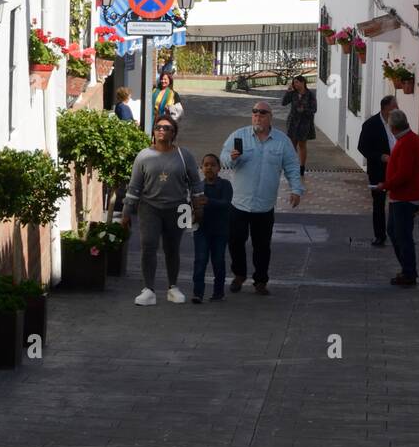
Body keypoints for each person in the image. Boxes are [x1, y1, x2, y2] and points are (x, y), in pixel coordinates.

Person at [220, 101, 303, 295]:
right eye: (255, 112)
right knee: (235, 241)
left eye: (262, 113)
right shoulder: (239, 135)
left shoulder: (282, 141)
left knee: (262, 245)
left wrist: (296, 190)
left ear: (270, 117)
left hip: (264, 205)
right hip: (239, 202)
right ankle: (239, 274)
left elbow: (291, 166)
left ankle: (260, 280)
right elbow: (222, 157)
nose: (258, 116)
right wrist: (230, 157)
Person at [122, 116, 204, 307]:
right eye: (158, 127)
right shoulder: (143, 156)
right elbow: (134, 186)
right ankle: (148, 289)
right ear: (153, 131)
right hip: (149, 207)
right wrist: (126, 212)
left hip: (178, 208)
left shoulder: (185, 155)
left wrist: (198, 206)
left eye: (167, 128)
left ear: (173, 133)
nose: (161, 131)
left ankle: (173, 287)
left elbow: (195, 182)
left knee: (172, 248)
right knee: (148, 245)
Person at [377, 108, 419, 287]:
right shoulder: (408, 140)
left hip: (405, 197)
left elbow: (404, 174)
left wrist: (385, 185)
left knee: (402, 236)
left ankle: (409, 272)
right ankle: (407, 269)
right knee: (395, 232)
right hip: (401, 197)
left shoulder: (407, 143)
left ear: (393, 128)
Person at [357, 95, 399, 248]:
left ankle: (398, 233)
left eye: (397, 108)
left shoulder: (398, 122)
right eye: (393, 108)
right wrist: (380, 157)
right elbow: (362, 147)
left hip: (397, 169)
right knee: (379, 204)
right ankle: (380, 235)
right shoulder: (371, 124)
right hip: (379, 170)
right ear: (384, 109)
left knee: (399, 202)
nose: (396, 111)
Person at [191, 154, 233, 304]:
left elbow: (226, 203)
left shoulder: (225, 185)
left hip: (220, 231)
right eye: (206, 165)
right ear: (201, 168)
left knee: (218, 261)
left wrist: (209, 201)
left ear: (219, 168)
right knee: (200, 261)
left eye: (212, 165)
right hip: (201, 230)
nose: (209, 167)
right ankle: (198, 293)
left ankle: (218, 292)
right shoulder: (198, 187)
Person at [281, 75, 317, 176]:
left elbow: (314, 109)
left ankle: (302, 167)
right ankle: (292, 166)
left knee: (302, 145)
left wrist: (304, 110)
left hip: (304, 123)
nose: (295, 84)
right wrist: (288, 92)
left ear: (303, 82)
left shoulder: (310, 95)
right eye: (294, 82)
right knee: (292, 145)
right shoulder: (293, 93)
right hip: (293, 122)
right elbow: (283, 103)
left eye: (297, 82)